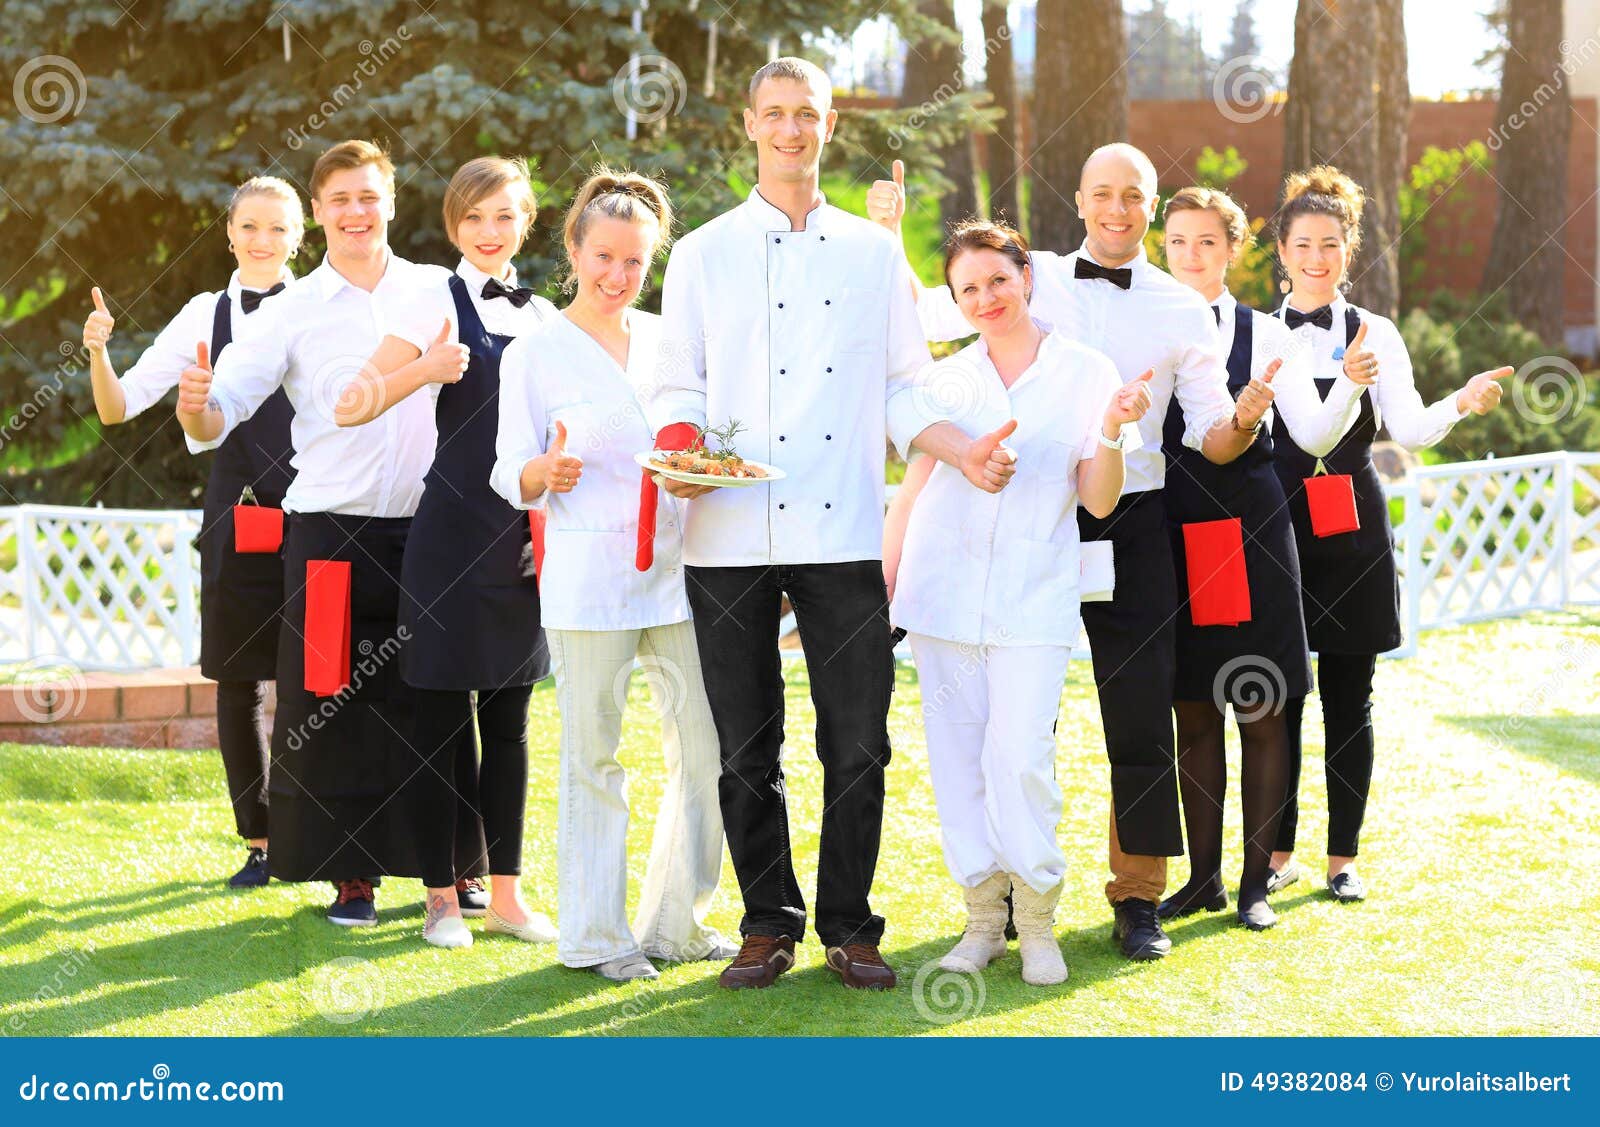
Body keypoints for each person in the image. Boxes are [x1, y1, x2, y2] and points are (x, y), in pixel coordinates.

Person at [644, 57, 1018, 991]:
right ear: (748, 124)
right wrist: (684, 453)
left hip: (844, 527)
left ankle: (850, 924)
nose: (790, 130)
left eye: (805, 114)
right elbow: (677, 381)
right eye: (774, 114)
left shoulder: (870, 255)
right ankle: (767, 920)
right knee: (744, 743)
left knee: (857, 739)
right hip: (725, 527)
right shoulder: (701, 252)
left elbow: (900, 385)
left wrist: (961, 448)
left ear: (830, 123)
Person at [870, 143, 1259, 961]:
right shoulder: (1027, 271)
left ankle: (1138, 893)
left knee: (1141, 709)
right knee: (1012, 725)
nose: (1117, 209)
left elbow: (1215, 434)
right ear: (1079, 199)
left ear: (1152, 205)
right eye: (1102, 193)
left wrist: (1250, 417)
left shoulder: (1186, 308)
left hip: (1128, 511)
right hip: (1013, 513)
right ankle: (1005, 898)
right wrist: (890, 234)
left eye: (1133, 195)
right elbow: (930, 313)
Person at [173, 139, 483, 925]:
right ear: (318, 212)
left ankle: (456, 867)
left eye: (368, 197)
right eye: (340, 198)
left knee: (435, 697)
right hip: (328, 535)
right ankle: (353, 874)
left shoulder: (434, 287)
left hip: (427, 532)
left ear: (390, 202)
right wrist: (194, 404)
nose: (355, 212)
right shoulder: (287, 312)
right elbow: (219, 413)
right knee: (331, 699)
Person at [884, 220, 1149, 985]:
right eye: (968, 289)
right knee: (958, 761)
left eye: (997, 279)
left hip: (1033, 599)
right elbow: (915, 486)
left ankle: (1037, 921)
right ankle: (981, 922)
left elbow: (1097, 500)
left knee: (1021, 758)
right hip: (942, 595)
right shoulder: (945, 381)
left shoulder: (1087, 371)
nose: (986, 297)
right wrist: (887, 578)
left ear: (1025, 275)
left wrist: (1109, 429)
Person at [493, 166, 735, 982]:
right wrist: (543, 473)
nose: (617, 276)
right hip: (590, 578)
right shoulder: (534, 349)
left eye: (634, 261)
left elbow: (695, 440)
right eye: (604, 257)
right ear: (573, 247)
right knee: (594, 756)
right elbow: (505, 470)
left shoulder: (670, 340)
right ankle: (596, 935)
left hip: (676, 572)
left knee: (704, 750)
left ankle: (676, 922)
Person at [1266, 166, 1512, 903]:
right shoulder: (1253, 330)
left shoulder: (1381, 332)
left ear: (1350, 248)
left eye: (1331, 244)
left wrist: (1461, 403)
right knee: (1277, 696)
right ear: (1280, 249)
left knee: (1351, 694)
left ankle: (1342, 859)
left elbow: (1406, 427)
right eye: (1303, 243)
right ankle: (1276, 853)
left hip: (1354, 530)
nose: (1317, 257)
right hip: (1275, 527)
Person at [342, 157, 556, 949]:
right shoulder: (433, 298)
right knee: (437, 719)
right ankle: (439, 898)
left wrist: (552, 533)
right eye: (473, 219)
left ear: (526, 221)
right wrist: (425, 370)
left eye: (503, 216)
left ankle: (505, 895)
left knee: (510, 722)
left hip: (518, 540)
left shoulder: (542, 316)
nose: (489, 232)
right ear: (453, 225)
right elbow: (352, 398)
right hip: (448, 535)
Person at [1157, 186, 1376, 930]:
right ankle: (1203, 878)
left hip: (1253, 531)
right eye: (1178, 241)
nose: (1192, 255)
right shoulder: (1142, 327)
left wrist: (1344, 380)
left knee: (1261, 703)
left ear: (1236, 249)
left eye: (1208, 242)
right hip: (1174, 530)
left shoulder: (1269, 333)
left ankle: (1255, 883)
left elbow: (1312, 434)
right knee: (1192, 707)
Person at [82, 175, 301, 889]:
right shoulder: (205, 314)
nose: (263, 240)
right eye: (250, 226)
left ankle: (323, 841)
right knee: (239, 682)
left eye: (277, 227)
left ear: (300, 236)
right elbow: (120, 408)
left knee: (318, 679)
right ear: (229, 232)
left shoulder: (323, 306)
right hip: (236, 518)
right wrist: (96, 351)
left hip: (321, 515)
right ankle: (261, 843)